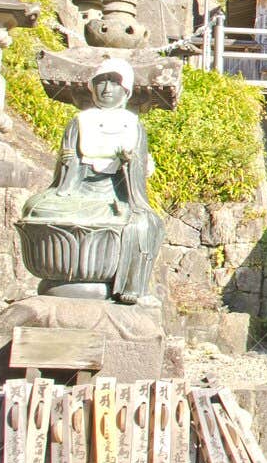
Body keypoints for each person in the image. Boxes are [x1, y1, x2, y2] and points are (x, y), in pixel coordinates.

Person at [20, 58, 164, 304]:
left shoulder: (133, 125)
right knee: (36, 208)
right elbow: (65, 177)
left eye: (114, 83)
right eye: (101, 82)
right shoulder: (79, 122)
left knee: (144, 224)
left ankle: (129, 288)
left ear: (126, 90)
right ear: (92, 87)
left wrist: (130, 163)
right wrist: (68, 166)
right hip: (78, 193)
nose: (107, 89)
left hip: (115, 194)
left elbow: (138, 174)